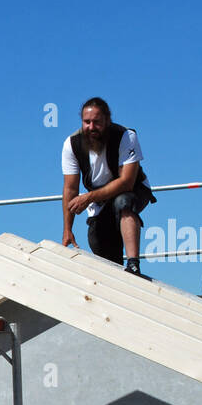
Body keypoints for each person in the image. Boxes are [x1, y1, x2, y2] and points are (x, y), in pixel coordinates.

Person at [61, 97, 155, 275]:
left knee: (123, 202)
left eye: (97, 122)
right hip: (100, 201)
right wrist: (68, 229)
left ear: (107, 120)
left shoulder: (126, 136)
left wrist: (88, 197)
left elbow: (126, 181)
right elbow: (70, 189)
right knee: (96, 237)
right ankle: (117, 275)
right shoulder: (71, 144)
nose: (91, 127)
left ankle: (133, 263)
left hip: (133, 190)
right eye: (86, 122)